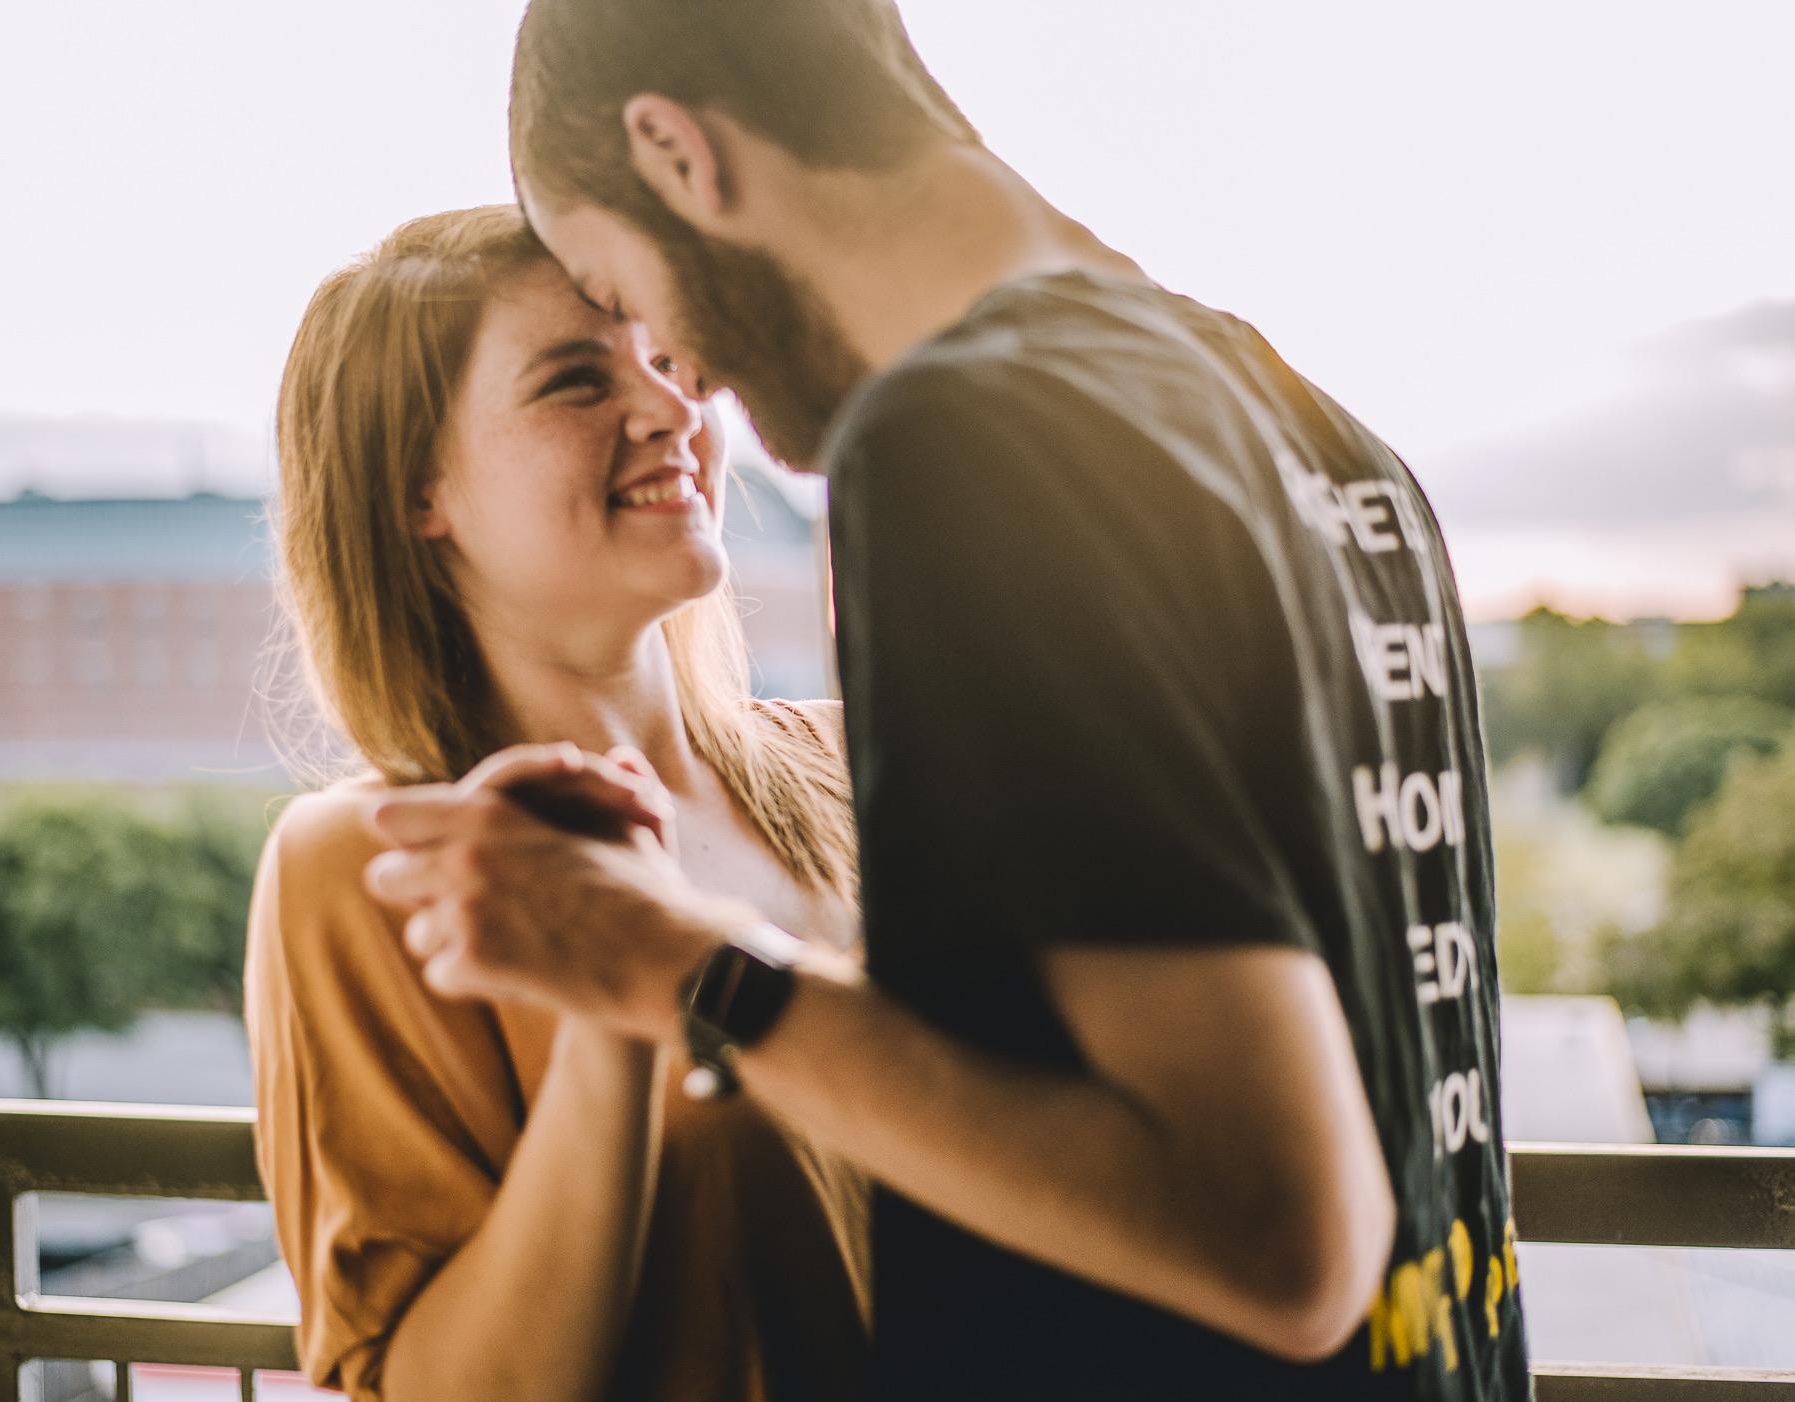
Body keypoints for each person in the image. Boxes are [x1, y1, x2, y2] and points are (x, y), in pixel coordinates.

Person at [360, 2, 1533, 1399]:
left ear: (677, 153)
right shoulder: (1313, 427)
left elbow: (1276, 1233)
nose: (677, 374)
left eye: (624, 293)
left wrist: (677, 962)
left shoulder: (967, 439)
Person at [243, 204, 870, 1402]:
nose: (676, 410)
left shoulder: (853, 765)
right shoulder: (371, 863)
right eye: (576, 381)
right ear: (418, 490)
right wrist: (618, 1002)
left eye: (667, 356)